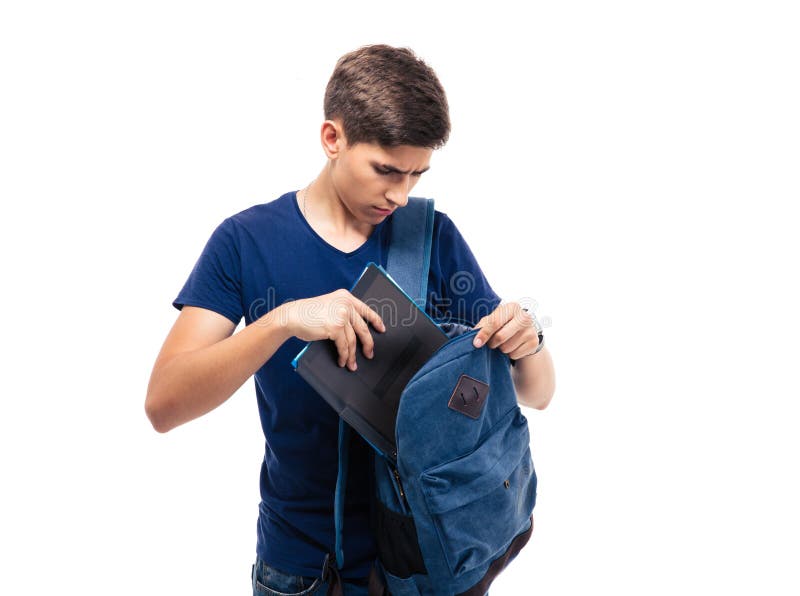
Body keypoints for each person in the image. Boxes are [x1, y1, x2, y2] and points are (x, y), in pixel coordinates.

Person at [145, 43, 555, 596]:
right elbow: (164, 404)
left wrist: (529, 340)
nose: (400, 195)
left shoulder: (431, 237)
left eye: (416, 174)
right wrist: (281, 321)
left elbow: (537, 393)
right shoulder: (246, 241)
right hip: (298, 569)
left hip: (421, 565)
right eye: (386, 170)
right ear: (332, 138)